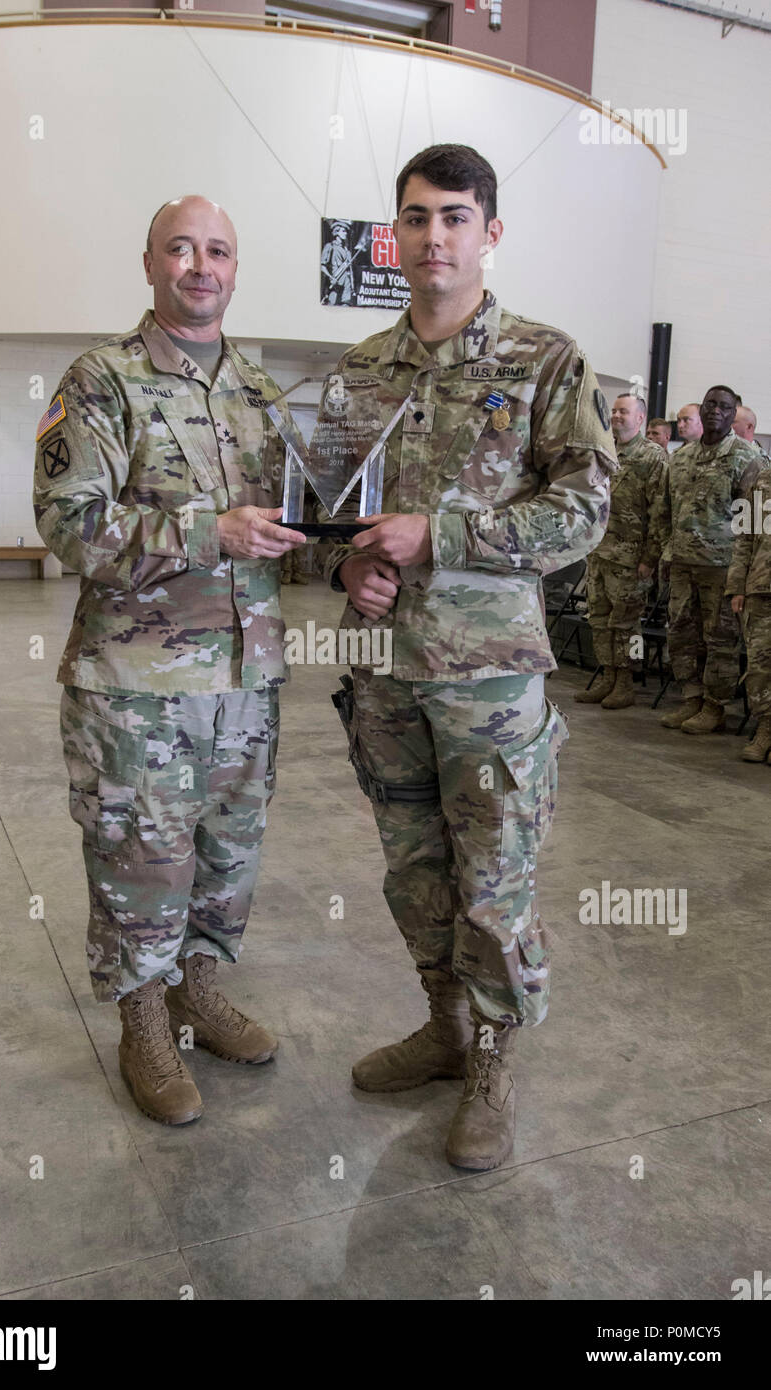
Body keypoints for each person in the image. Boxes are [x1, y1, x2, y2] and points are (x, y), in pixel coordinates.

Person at [323, 144, 616, 1172]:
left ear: (488, 232)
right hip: (386, 674)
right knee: (413, 871)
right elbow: (340, 518)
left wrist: (438, 536)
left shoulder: (544, 360)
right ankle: (442, 1026)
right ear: (391, 235)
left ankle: (492, 1062)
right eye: (414, 217)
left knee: (494, 879)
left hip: (489, 681)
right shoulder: (361, 370)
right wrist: (348, 569)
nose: (432, 236)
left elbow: (582, 509)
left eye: (453, 217)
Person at [33, 196, 306, 1126]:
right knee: (141, 858)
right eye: (181, 248)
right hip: (138, 688)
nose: (201, 264)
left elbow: (302, 520)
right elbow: (68, 524)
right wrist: (206, 531)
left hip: (248, 680)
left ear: (236, 268)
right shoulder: (101, 380)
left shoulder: (263, 396)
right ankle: (141, 1020)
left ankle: (197, 988)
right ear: (149, 262)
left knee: (229, 855)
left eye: (219, 249)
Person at [650, 385, 765, 734]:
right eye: (710, 404)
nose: (716, 411)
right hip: (682, 563)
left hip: (722, 567)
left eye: (725, 407)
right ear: (701, 410)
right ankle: (692, 698)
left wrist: (743, 577)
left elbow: (753, 523)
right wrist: (667, 550)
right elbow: (665, 511)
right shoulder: (681, 457)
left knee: (719, 640)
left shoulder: (747, 458)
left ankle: (715, 706)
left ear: (735, 414)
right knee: (683, 634)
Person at [575, 393, 667, 709]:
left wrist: (650, 558)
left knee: (626, 623)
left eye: (623, 411)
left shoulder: (653, 457)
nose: (616, 416)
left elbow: (660, 511)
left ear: (640, 418)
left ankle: (626, 682)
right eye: (614, 410)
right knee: (598, 619)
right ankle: (608, 677)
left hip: (631, 557)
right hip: (599, 550)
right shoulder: (603, 450)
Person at [727, 469, 771, 762]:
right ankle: (765, 728)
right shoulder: (763, 480)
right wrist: (737, 585)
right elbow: (744, 536)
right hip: (761, 586)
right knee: (760, 664)